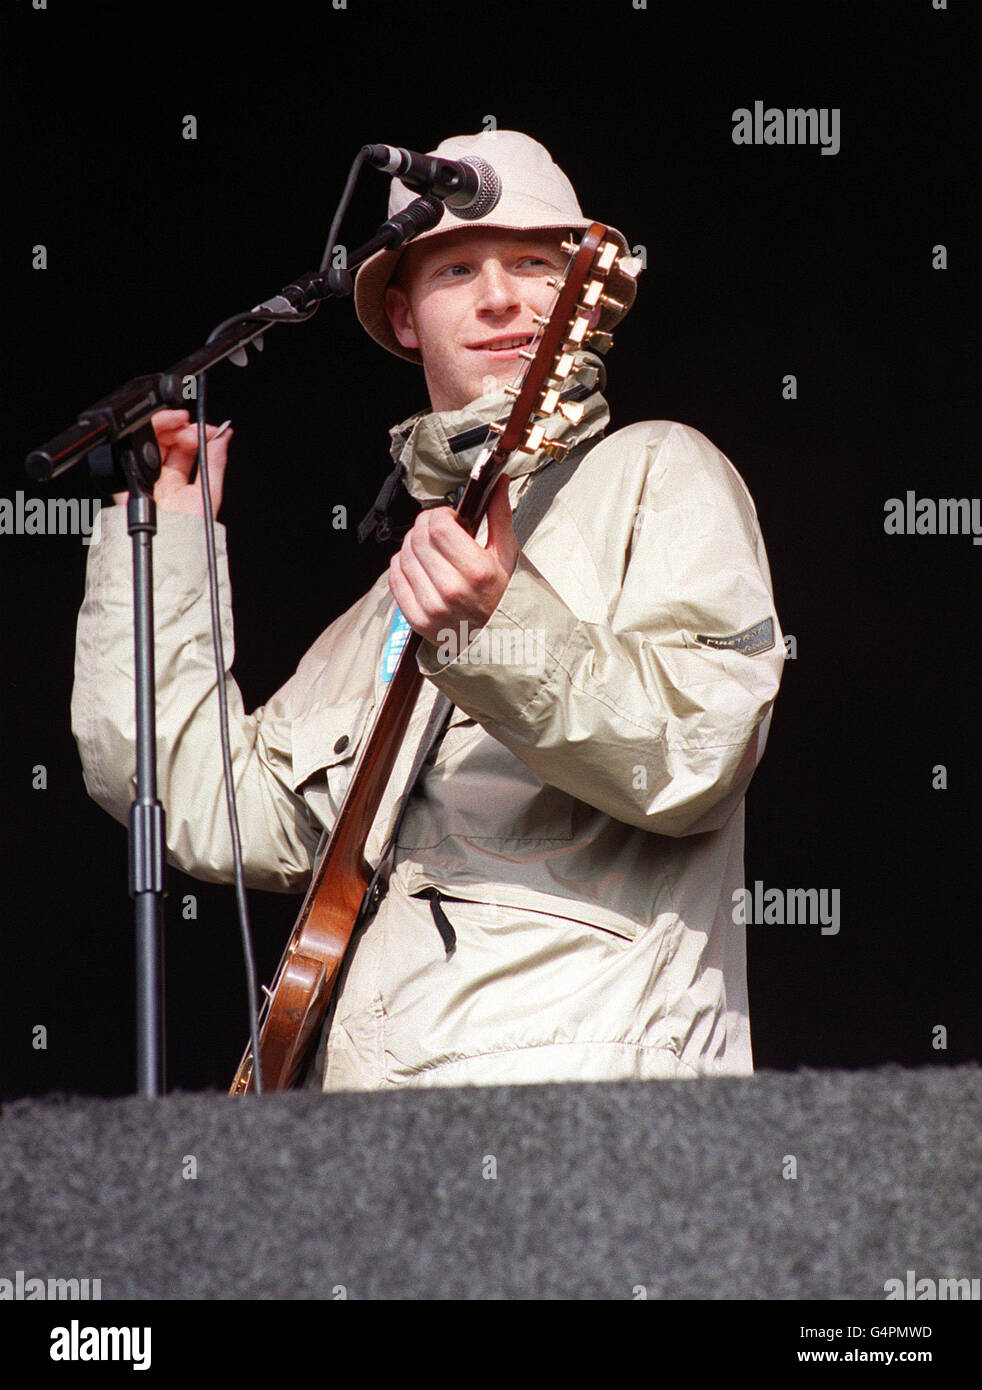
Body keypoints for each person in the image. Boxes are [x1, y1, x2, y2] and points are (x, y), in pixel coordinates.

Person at [72, 130, 785, 1092]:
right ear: (405, 319)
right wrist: (164, 549)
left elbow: (699, 753)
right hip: (372, 1145)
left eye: (534, 264)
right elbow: (205, 809)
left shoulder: (658, 470)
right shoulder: (388, 607)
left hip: (585, 1115)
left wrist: (495, 630)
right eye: (457, 270)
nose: (499, 297)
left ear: (581, 301)